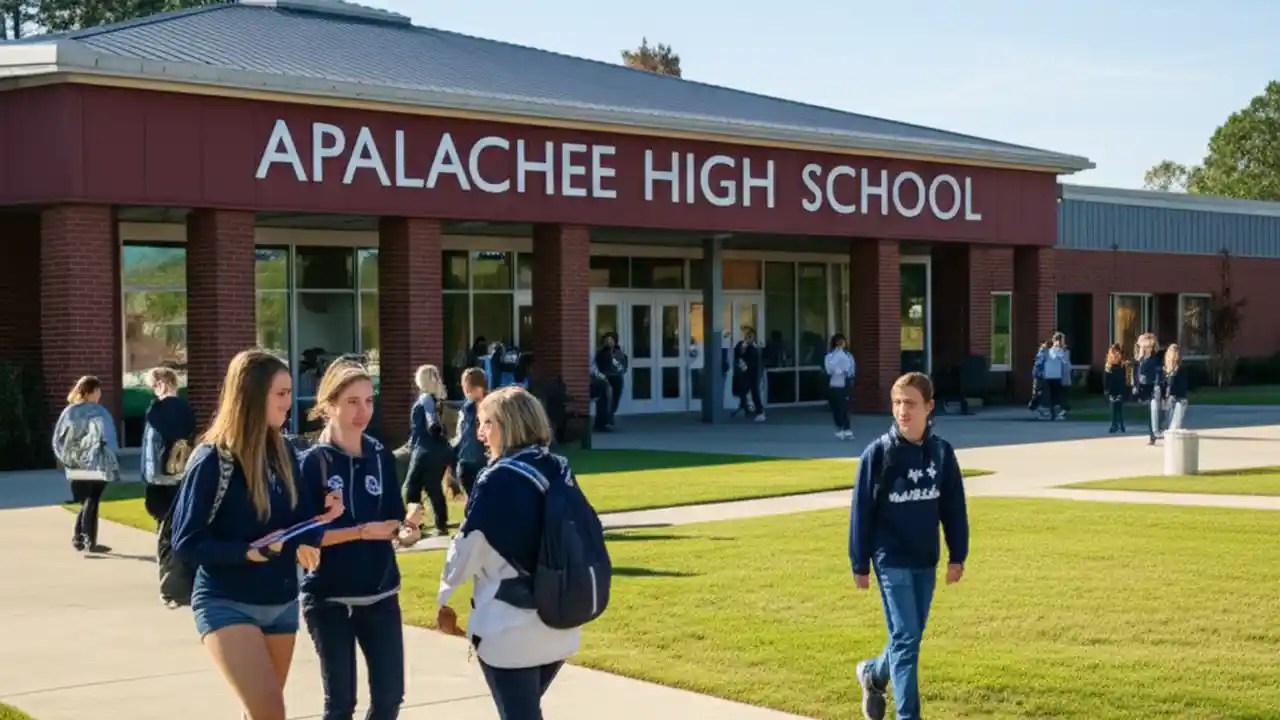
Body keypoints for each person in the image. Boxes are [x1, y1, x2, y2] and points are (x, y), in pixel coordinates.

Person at [170, 348, 342, 720]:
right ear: (252, 395)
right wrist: (245, 552)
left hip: (281, 603)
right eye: (280, 394)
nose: (289, 403)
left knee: (259, 713)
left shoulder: (285, 452)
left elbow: (297, 521)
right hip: (226, 602)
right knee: (270, 711)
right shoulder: (213, 459)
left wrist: (320, 521)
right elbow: (185, 540)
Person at [436, 386, 581, 720]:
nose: (481, 433)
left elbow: (468, 550)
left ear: (505, 425)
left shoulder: (496, 480)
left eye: (486, 423)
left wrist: (444, 595)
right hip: (561, 619)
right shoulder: (559, 468)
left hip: (510, 626)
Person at [299, 362, 422, 720]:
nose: (363, 411)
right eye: (352, 401)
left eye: (369, 401)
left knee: (389, 700)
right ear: (329, 405)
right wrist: (362, 532)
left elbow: (393, 521)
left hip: (381, 594)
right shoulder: (312, 463)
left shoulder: (381, 455)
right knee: (340, 706)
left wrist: (407, 531)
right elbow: (306, 538)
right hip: (329, 598)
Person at [850, 372, 969, 720]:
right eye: (898, 403)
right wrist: (859, 563)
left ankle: (872, 674)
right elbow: (861, 513)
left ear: (929, 407)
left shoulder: (942, 454)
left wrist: (957, 555)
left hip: (925, 559)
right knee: (905, 638)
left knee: (910, 638)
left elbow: (953, 507)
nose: (903, 410)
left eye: (911, 404)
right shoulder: (877, 455)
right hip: (890, 560)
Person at [52, 375, 121, 554]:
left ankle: (79, 537)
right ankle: (89, 540)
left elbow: (57, 439)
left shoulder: (69, 412)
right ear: (91, 391)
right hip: (97, 463)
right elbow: (109, 439)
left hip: (75, 465)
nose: (100, 394)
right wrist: (113, 461)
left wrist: (66, 459)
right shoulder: (100, 412)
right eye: (98, 391)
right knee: (93, 500)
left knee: (86, 501)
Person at [140, 366, 197, 523]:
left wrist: (150, 473)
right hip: (181, 467)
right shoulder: (186, 408)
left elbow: (152, 442)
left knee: (161, 513)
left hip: (161, 471)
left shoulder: (156, 410)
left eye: (153, 386)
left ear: (161, 384)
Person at [404, 364, 451, 536]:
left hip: (424, 449)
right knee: (433, 487)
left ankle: (415, 523)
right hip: (438, 450)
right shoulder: (438, 398)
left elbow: (430, 423)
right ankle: (441, 524)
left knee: (411, 488)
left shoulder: (425, 399)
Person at [453, 367, 488, 504]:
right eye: (465, 388)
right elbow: (461, 434)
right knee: (471, 500)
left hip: (483, 461)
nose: (466, 392)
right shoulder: (466, 408)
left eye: (469, 388)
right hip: (465, 461)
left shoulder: (491, 406)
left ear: (480, 388)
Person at [1133, 333, 1164, 446]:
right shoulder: (1141, 359)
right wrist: (1135, 386)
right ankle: (1152, 434)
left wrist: (1158, 384)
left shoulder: (1154, 358)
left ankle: (1155, 432)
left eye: (1143, 346)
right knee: (1150, 411)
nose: (1141, 348)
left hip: (1154, 386)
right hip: (1144, 387)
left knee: (1155, 408)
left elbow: (1157, 372)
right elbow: (1137, 374)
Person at [824, 333, 856, 440]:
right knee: (836, 407)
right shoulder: (830, 356)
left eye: (842, 342)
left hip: (844, 384)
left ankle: (847, 429)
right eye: (839, 342)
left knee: (844, 406)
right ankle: (841, 427)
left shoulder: (848, 356)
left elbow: (851, 370)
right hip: (834, 384)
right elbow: (829, 370)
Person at [593, 332, 628, 426]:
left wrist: (622, 370)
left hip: (617, 377)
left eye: (611, 340)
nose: (609, 342)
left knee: (615, 398)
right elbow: (598, 364)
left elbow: (624, 363)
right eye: (607, 340)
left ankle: (609, 416)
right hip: (605, 377)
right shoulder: (601, 353)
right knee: (605, 399)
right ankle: (604, 420)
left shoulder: (619, 352)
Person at [732, 326, 766, 422]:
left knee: (755, 391)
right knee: (744, 390)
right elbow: (738, 354)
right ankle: (746, 407)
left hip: (755, 372)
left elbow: (759, 358)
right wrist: (744, 346)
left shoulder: (755, 346)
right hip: (745, 372)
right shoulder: (743, 345)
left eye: (751, 336)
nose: (749, 338)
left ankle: (759, 411)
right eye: (747, 335)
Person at [1041, 332, 1071, 420]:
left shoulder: (1060, 351)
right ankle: (1053, 413)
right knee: (1054, 395)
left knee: (1056, 395)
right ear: (1057, 341)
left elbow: (1067, 365)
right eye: (1062, 341)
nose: (1063, 343)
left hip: (1057, 376)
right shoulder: (1053, 351)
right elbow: (1064, 362)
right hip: (1053, 375)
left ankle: (1055, 413)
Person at [1103, 344, 1129, 434]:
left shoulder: (1122, 365)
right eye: (1113, 353)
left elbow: (1124, 378)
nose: (1115, 355)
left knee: (1119, 407)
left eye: (1117, 352)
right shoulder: (1108, 366)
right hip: (1112, 389)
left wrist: (1124, 389)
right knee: (1114, 406)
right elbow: (1106, 379)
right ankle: (1114, 424)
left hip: (1120, 388)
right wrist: (1106, 390)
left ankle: (1120, 424)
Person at [1164, 342, 1190, 431]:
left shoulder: (1178, 370)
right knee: (1172, 426)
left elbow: (1176, 386)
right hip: (1173, 399)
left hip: (1177, 399)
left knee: (1173, 427)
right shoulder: (1168, 370)